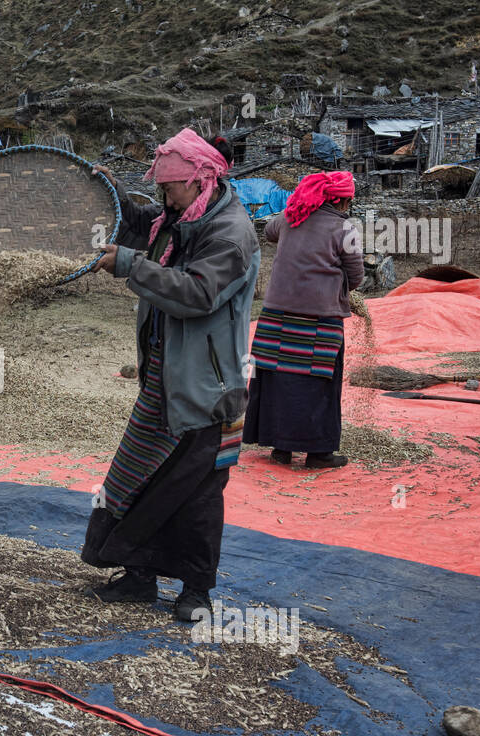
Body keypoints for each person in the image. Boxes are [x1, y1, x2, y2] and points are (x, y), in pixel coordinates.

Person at [82, 130, 260, 621]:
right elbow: (145, 229)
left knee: (197, 491)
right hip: (164, 376)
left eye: (172, 186)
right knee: (138, 476)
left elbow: (198, 292)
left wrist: (128, 265)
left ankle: (195, 590)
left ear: (202, 179)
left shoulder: (231, 233)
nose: (166, 197)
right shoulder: (181, 216)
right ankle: (138, 575)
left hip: (208, 385)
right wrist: (114, 195)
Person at [243, 171, 363, 469]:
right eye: (349, 200)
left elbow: (270, 231)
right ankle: (317, 453)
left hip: (277, 316)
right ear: (341, 200)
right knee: (316, 384)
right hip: (320, 320)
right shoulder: (345, 229)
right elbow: (357, 276)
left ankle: (280, 448)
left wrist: (295, 208)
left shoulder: (290, 218)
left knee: (278, 379)